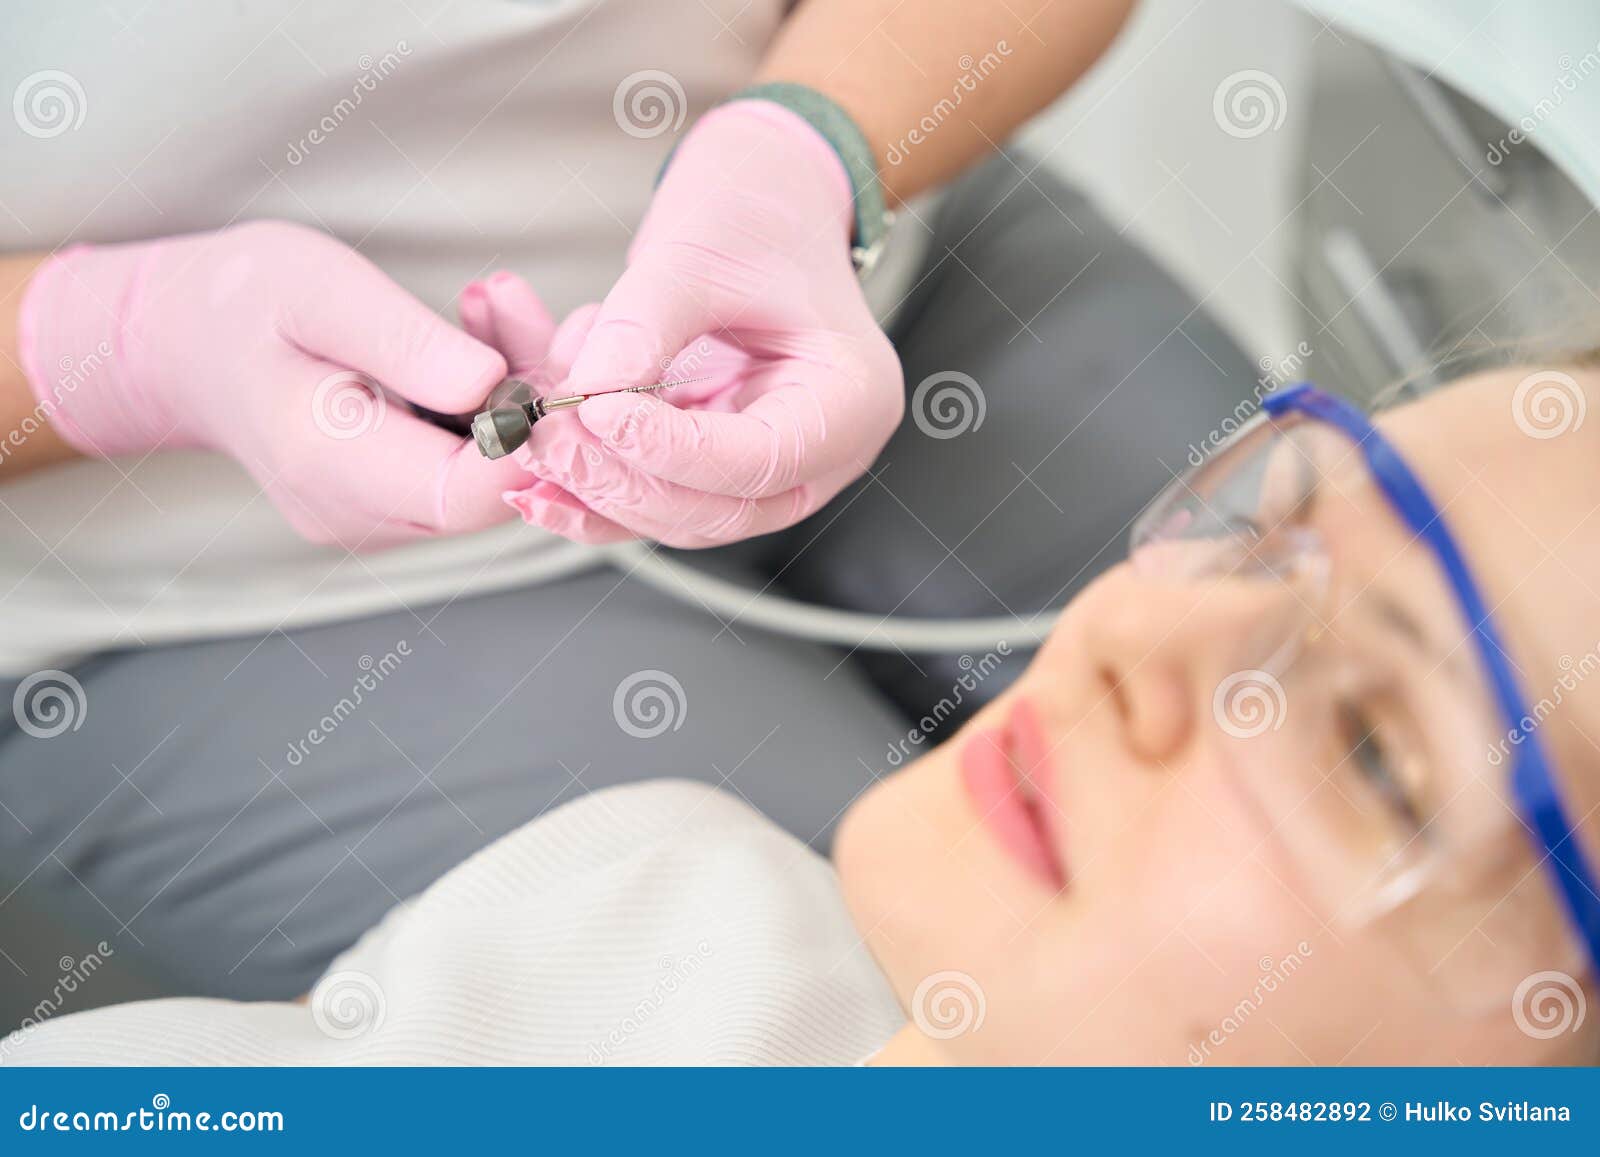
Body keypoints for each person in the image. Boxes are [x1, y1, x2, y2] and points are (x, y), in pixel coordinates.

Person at [4, 0, 1268, 1009]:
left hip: (880, 237)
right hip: (202, 602)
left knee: (1296, 720)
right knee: (856, 1001)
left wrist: (807, 152)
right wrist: (111, 346)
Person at [7, 358, 1598, 1065]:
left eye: (1378, 748)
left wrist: (824, 140)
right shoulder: (653, 897)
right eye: (1264, 523)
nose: (1136, 633)